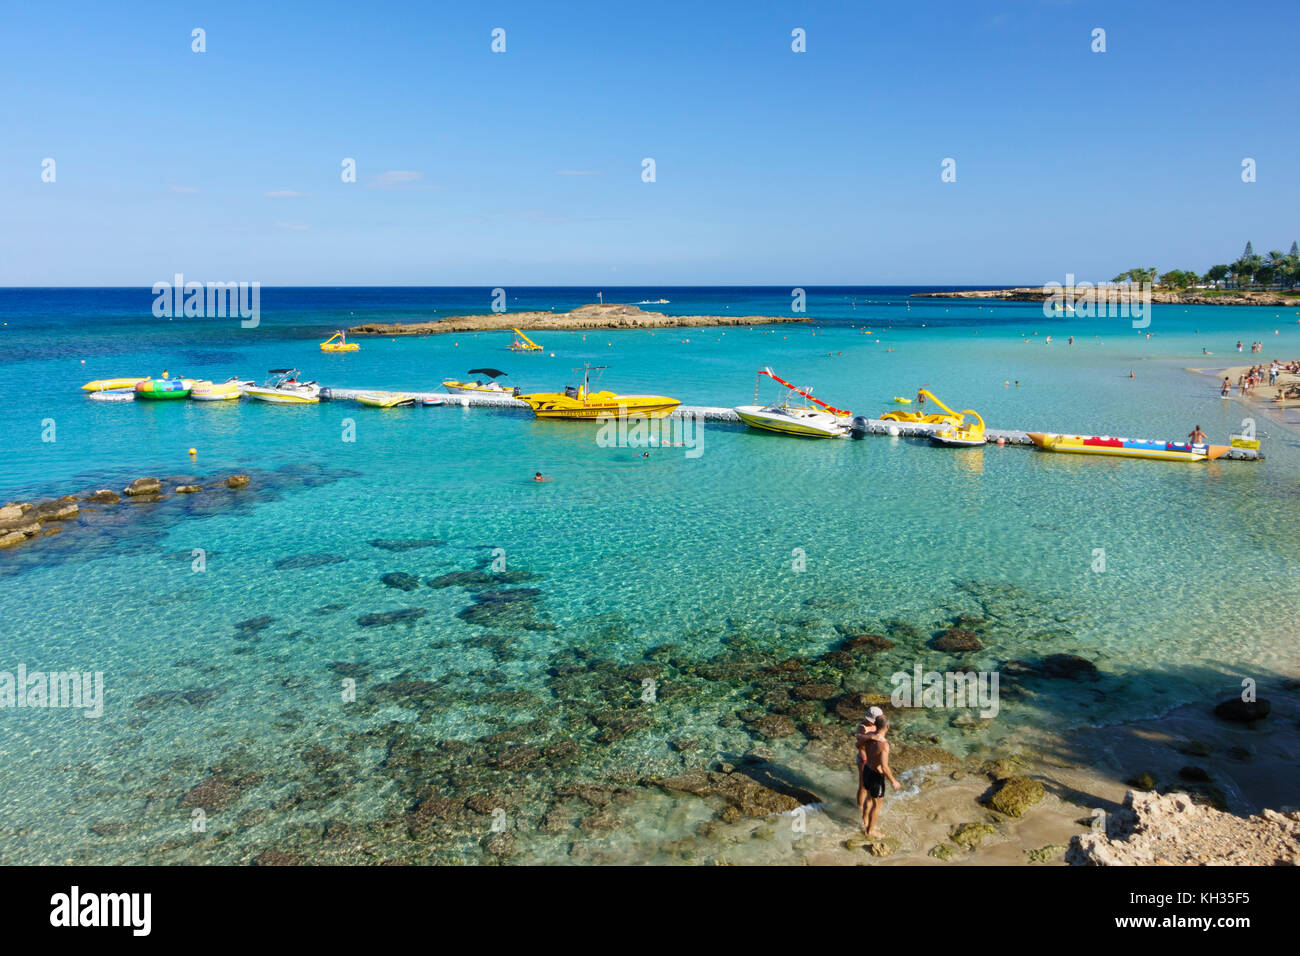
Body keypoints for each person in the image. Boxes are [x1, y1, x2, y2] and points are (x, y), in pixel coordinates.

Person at [859, 715, 901, 835]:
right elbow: (884, 767)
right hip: (876, 777)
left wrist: (868, 737)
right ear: (887, 727)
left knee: (869, 798)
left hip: (866, 769)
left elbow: (858, 744)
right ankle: (870, 831)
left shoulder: (869, 737)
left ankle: (865, 822)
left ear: (875, 725)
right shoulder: (884, 744)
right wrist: (893, 781)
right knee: (877, 805)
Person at [853, 706, 884, 821]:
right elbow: (859, 739)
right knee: (863, 786)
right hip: (864, 759)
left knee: (871, 788)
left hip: (872, 760)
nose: (868, 722)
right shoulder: (863, 727)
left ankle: (868, 808)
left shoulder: (876, 726)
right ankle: (860, 808)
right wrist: (872, 736)